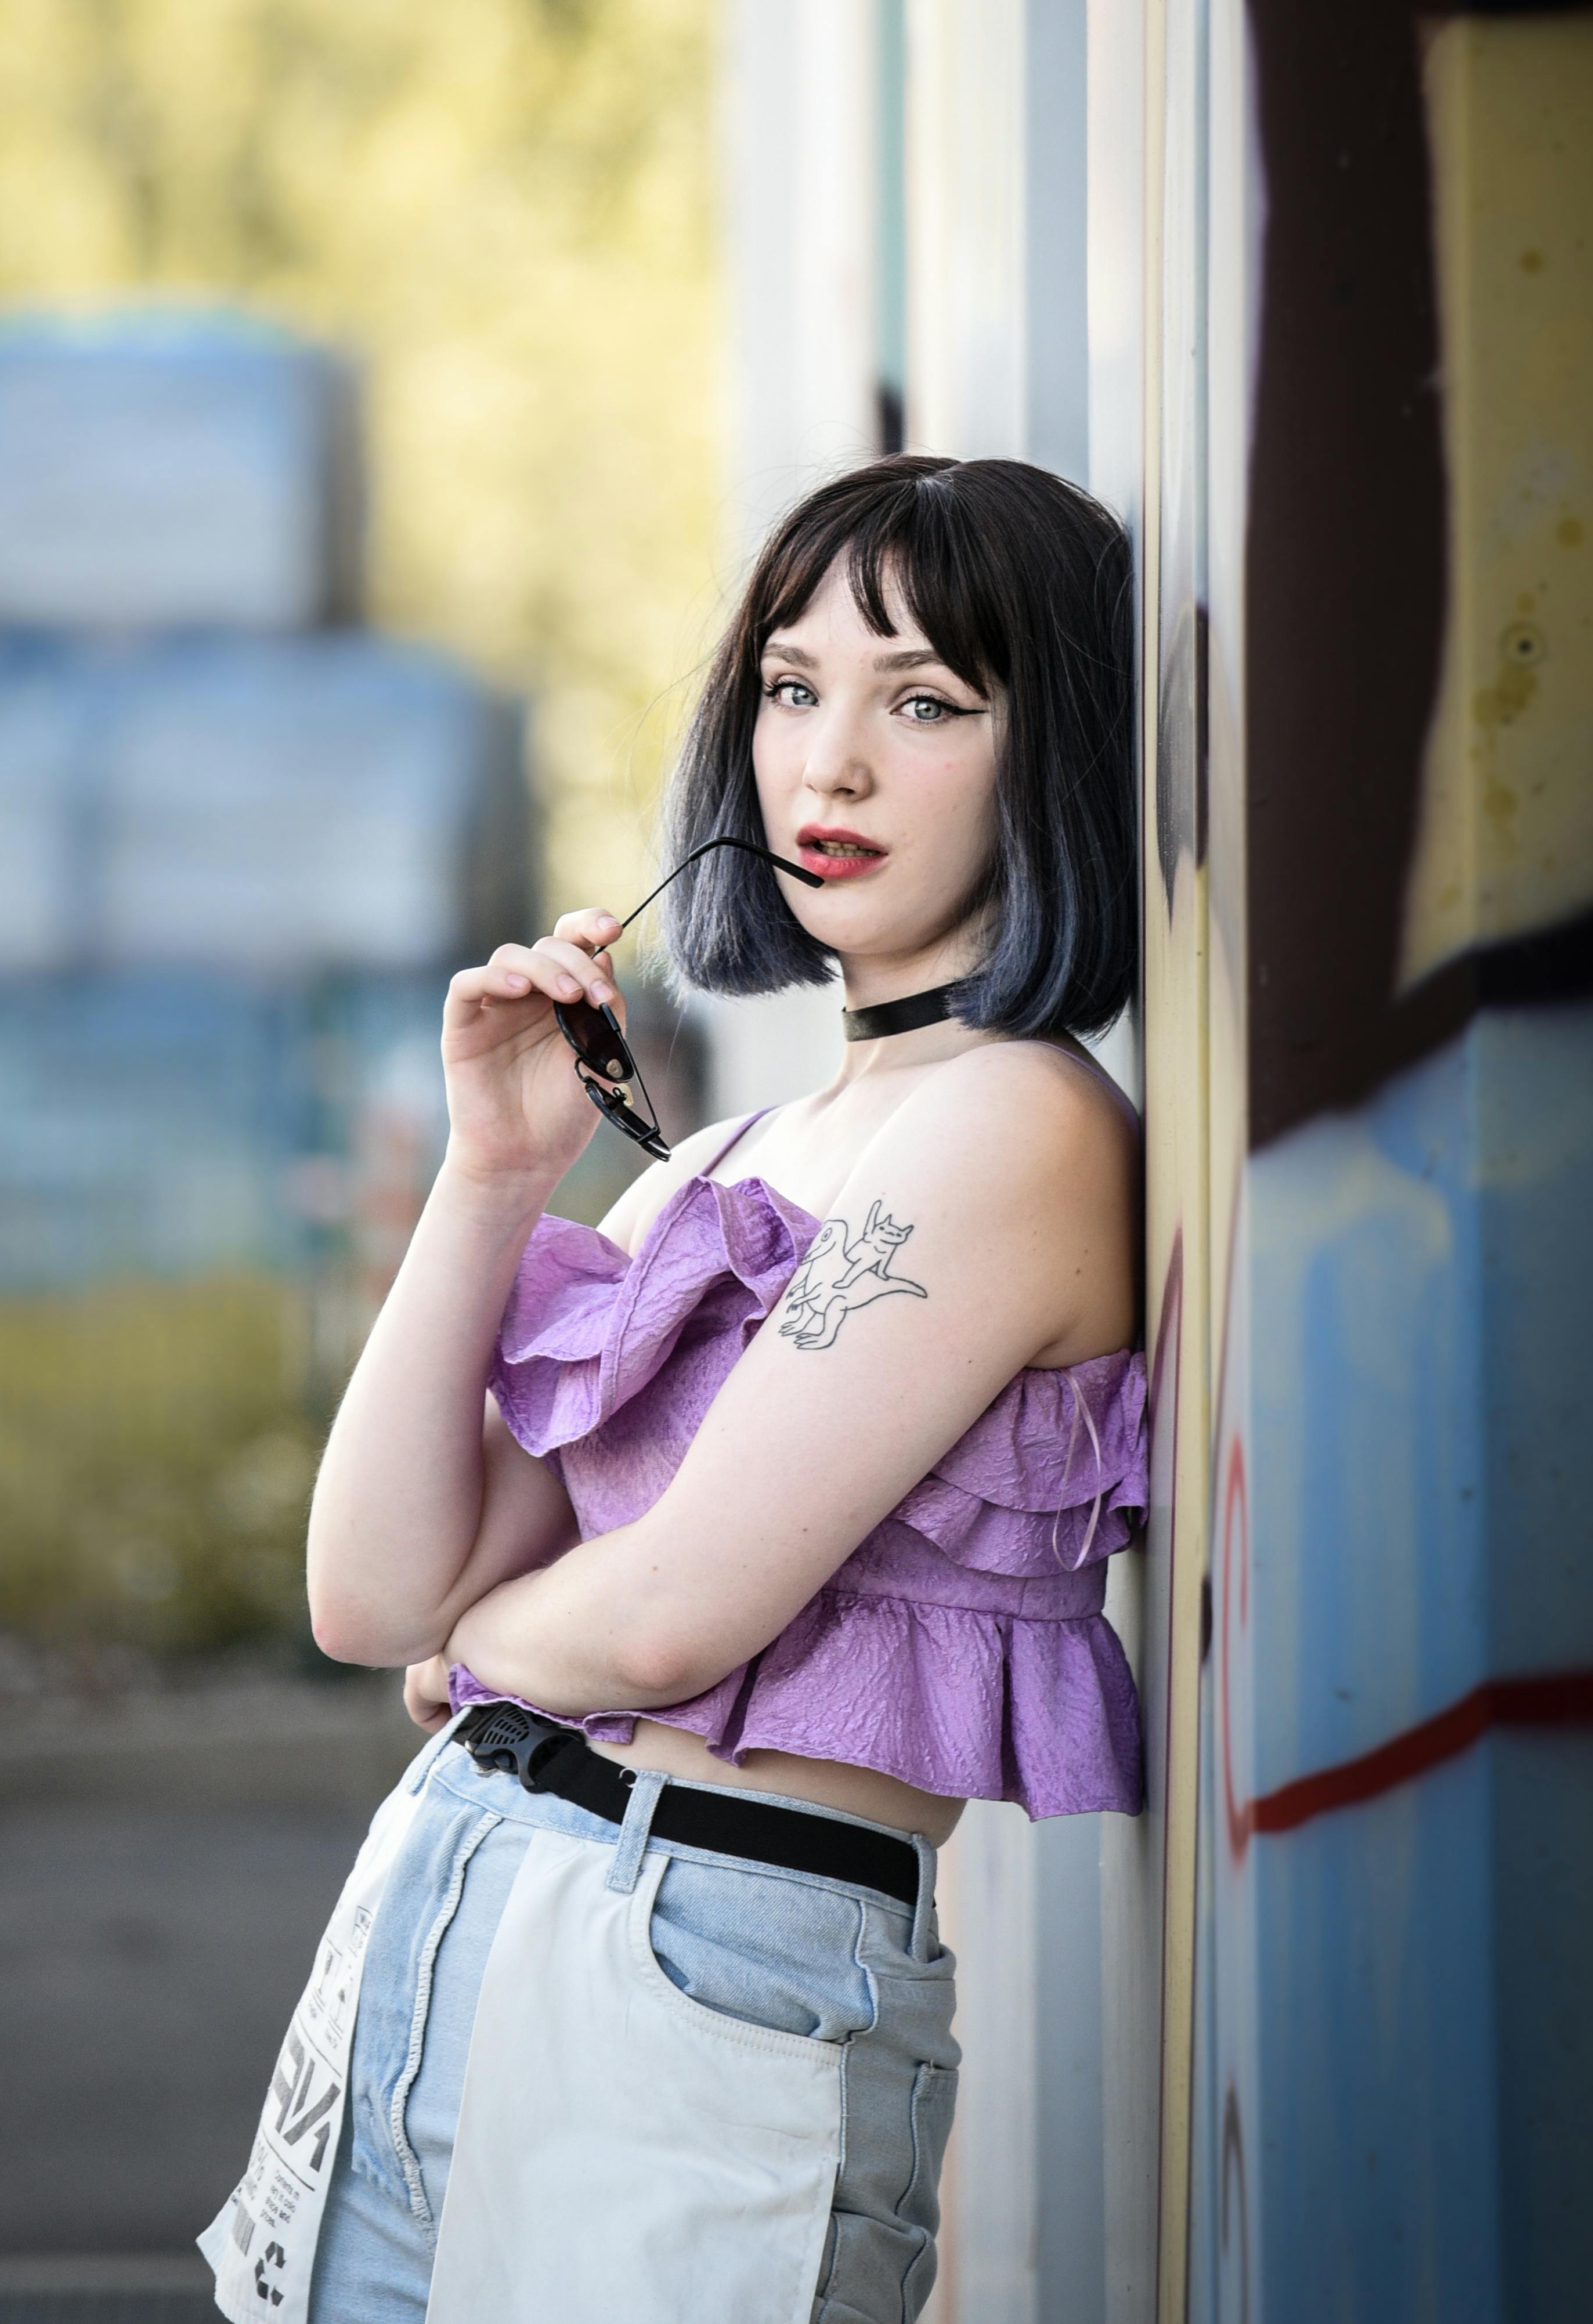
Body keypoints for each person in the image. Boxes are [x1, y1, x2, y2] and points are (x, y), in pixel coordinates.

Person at [200, 456, 1147, 2324]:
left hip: (704, 1960)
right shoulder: (749, 1145)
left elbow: (666, 1613)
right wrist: (494, 1174)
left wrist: (478, 1646)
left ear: (1057, 753)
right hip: (455, 1895)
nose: (834, 764)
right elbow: (369, 1594)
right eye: (795, 687)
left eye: (927, 700)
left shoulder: (1021, 1123)